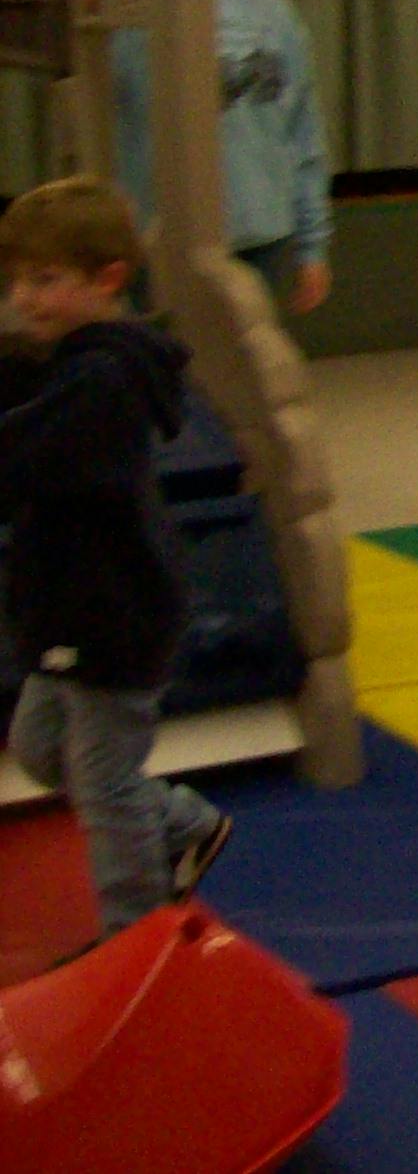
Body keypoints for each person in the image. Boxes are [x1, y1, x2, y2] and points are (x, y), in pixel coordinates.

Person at [0, 179, 232, 939]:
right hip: (64, 607)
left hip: (111, 615)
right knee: (39, 750)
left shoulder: (103, 379)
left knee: (101, 788)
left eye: (44, 281)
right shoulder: (69, 361)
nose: (24, 299)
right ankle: (182, 821)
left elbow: (28, 455)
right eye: (17, 281)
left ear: (107, 281)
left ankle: (134, 934)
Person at [105, 0, 334, 317]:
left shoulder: (277, 13)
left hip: (261, 241)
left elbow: (303, 134)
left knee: (243, 384)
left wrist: (312, 247)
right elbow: (78, 33)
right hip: (169, 242)